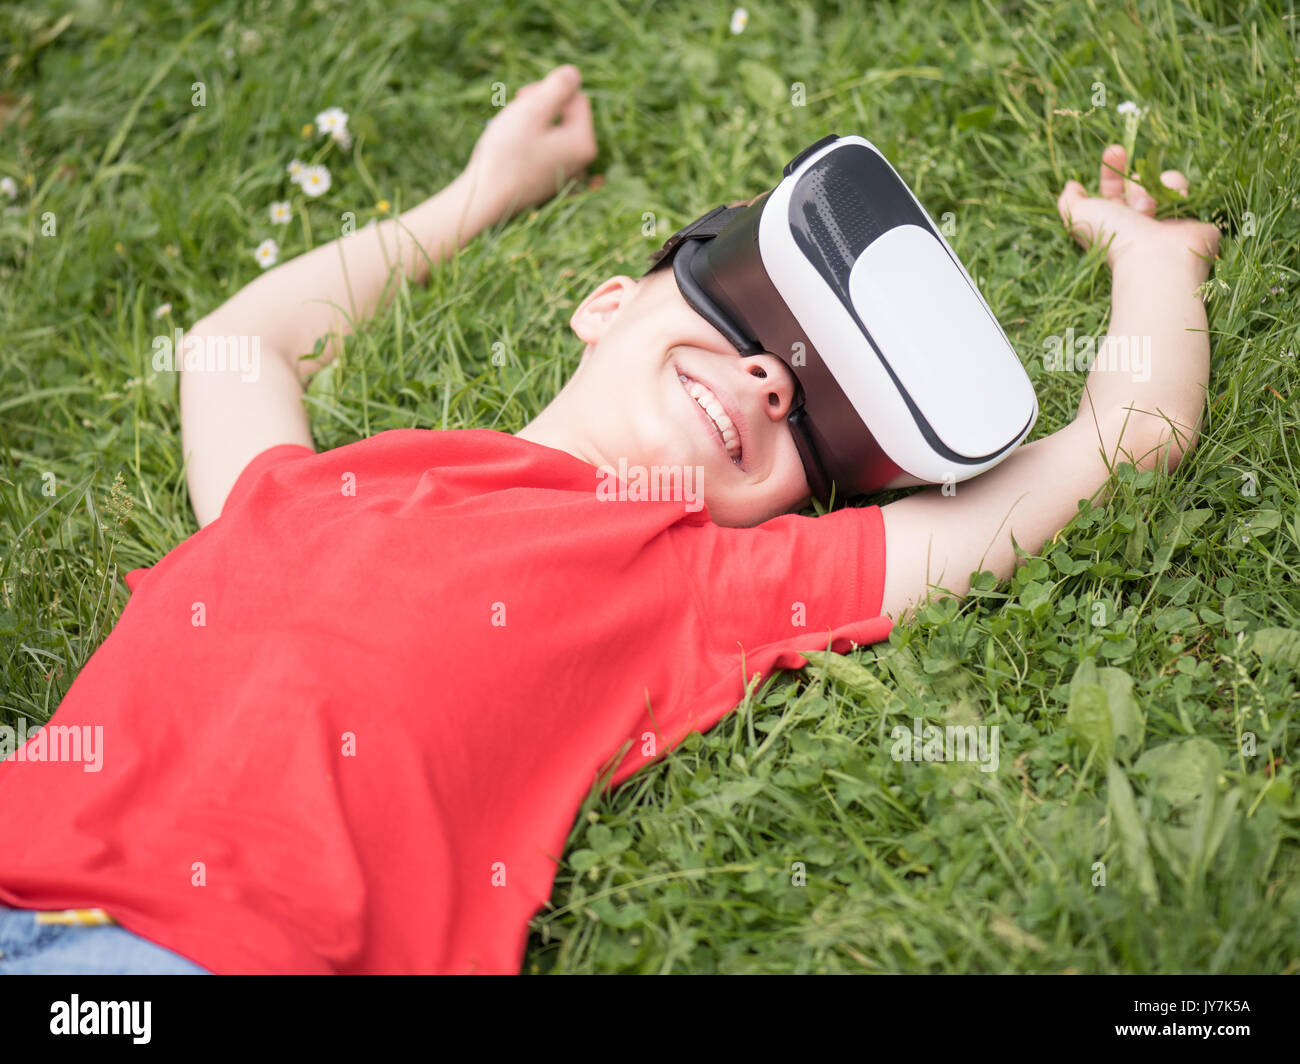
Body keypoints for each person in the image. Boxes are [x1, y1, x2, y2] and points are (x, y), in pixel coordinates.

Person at [0, 64, 1220, 974]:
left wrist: (1152, 261)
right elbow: (232, 348)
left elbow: (1124, 442)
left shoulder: (694, 581)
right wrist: (481, 191)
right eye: (744, 326)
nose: (765, 381)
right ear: (604, 305)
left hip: (208, 958)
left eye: (807, 428)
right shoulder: (301, 487)